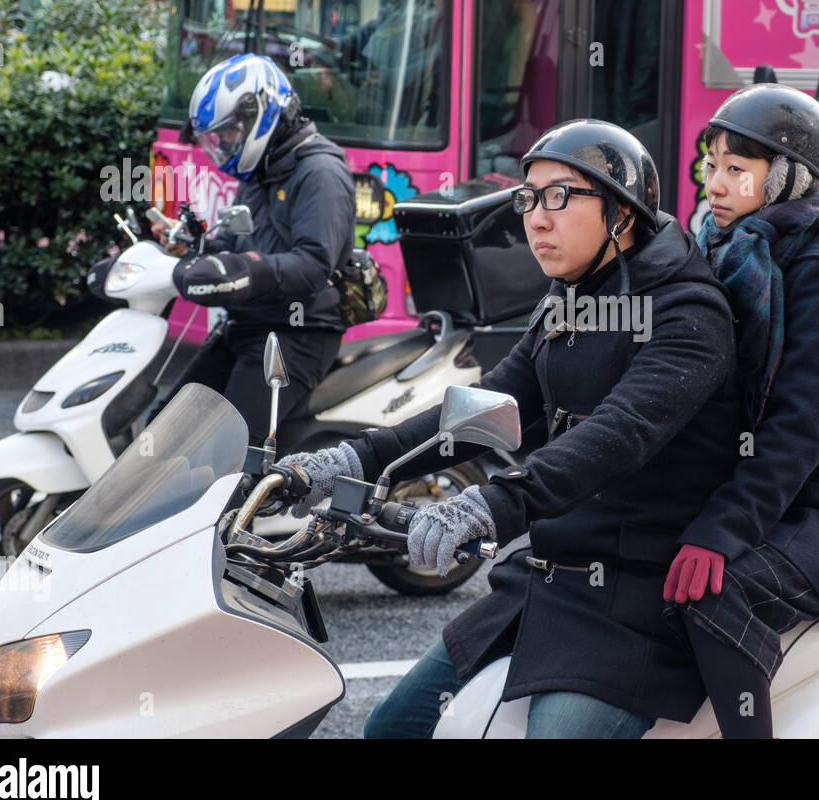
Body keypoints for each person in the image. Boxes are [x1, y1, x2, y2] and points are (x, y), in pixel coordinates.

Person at [277, 120, 746, 738]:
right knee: (394, 728)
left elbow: (616, 436)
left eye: (561, 195)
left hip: (637, 600)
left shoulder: (690, 313)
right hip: (548, 579)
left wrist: (490, 505)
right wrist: (352, 462)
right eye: (528, 197)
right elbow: (483, 413)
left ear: (622, 213)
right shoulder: (570, 296)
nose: (536, 218)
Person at [662, 82, 819, 739]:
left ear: (786, 180)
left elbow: (799, 427)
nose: (714, 184)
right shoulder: (720, 250)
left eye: (736, 170)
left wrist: (723, 527)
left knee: (713, 594)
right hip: (762, 493)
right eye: (709, 165)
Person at [149, 53, 356, 445]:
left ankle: (243, 506)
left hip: (298, 334)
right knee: (163, 431)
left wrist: (250, 269)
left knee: (229, 452)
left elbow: (313, 265)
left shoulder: (320, 173)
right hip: (246, 325)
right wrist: (192, 245)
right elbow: (232, 240)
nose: (224, 143)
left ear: (260, 114)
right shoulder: (260, 170)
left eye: (228, 132)